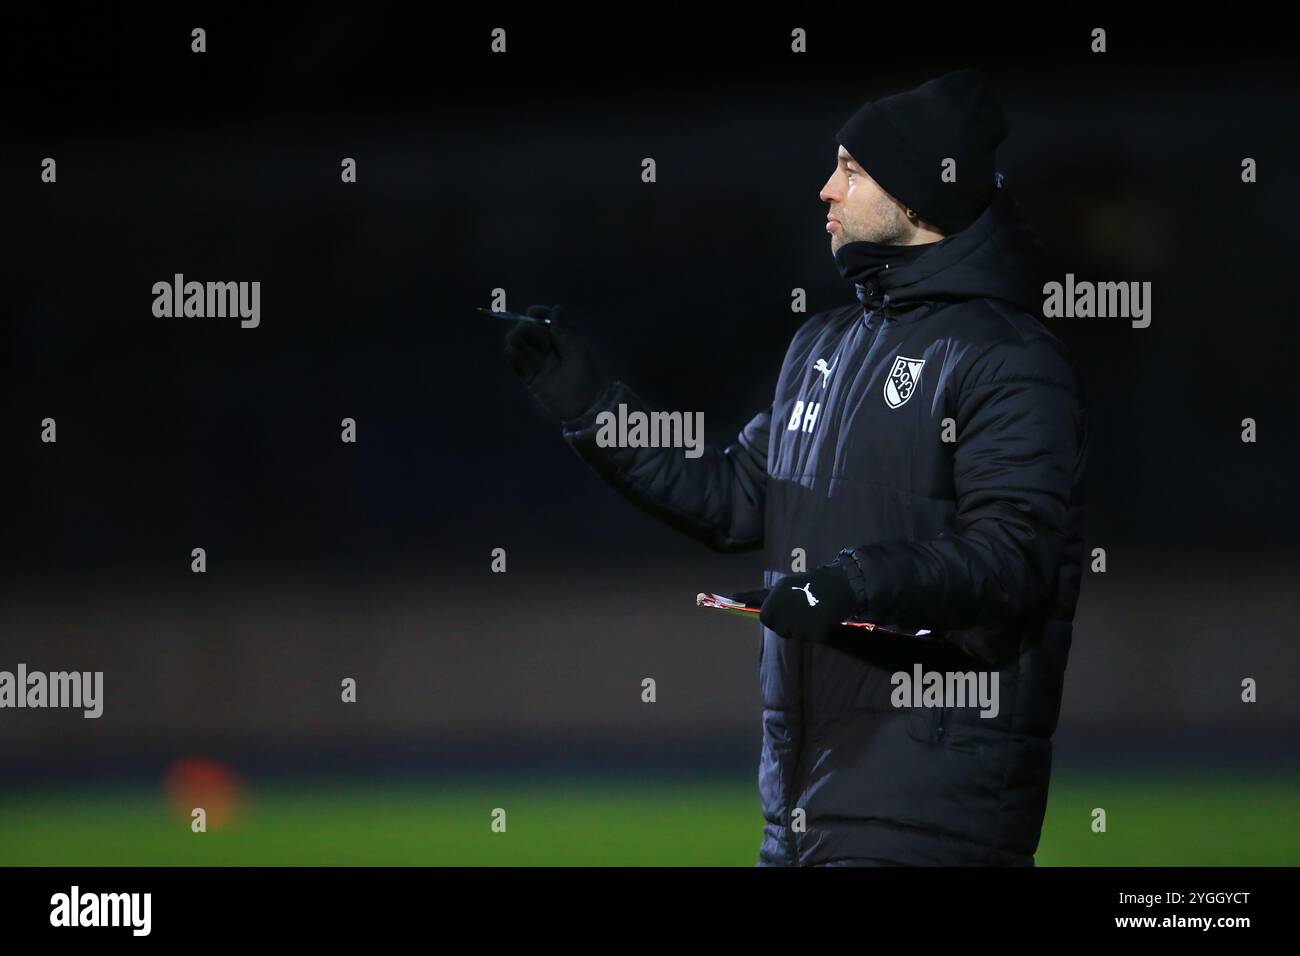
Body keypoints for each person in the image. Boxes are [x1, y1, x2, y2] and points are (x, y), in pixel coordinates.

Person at [504, 69, 1089, 866]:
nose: (825, 189)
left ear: (916, 201)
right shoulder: (823, 347)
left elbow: (1013, 557)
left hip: (930, 825)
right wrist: (588, 408)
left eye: (851, 169)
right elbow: (731, 498)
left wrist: (851, 580)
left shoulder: (1009, 360)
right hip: (801, 818)